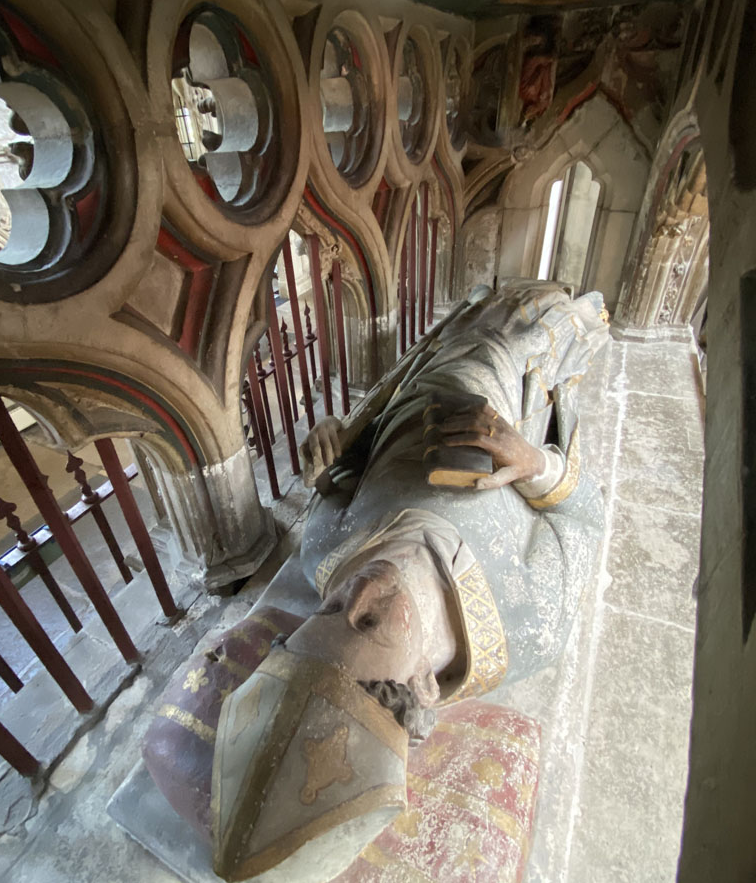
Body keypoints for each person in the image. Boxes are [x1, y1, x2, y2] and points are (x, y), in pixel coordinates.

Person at [210, 283, 610, 883]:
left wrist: (333, 445)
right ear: (424, 683)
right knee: (560, 301)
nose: (360, 586)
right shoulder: (531, 621)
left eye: (331, 610)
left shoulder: (326, 555)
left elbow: (343, 476)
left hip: (429, 360)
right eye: (370, 622)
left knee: (488, 299)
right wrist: (532, 462)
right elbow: (587, 515)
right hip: (514, 373)